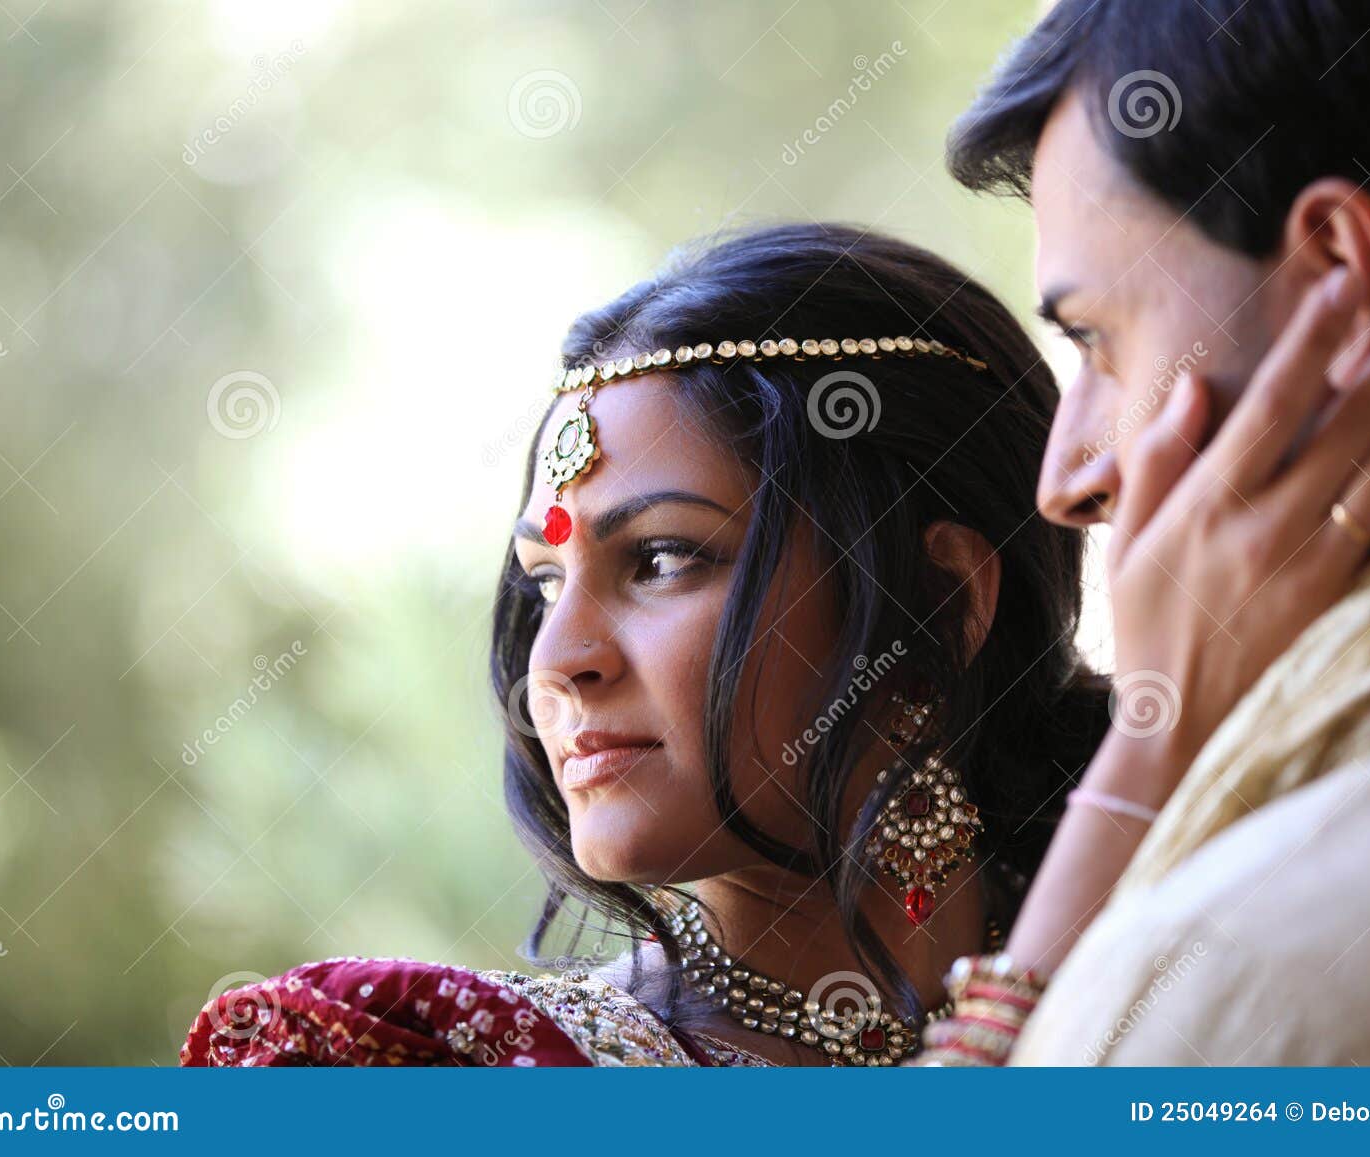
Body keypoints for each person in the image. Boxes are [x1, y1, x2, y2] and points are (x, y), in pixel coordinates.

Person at [180, 222, 1115, 1067]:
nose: (555, 660)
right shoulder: (464, 1071)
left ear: (940, 606)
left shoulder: (1182, 966)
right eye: (545, 583)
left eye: (661, 559)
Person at [917, 0, 1370, 1065]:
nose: (1065, 481)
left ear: (1341, 280)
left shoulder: (1250, 969)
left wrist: (1148, 745)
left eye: (1096, 339)